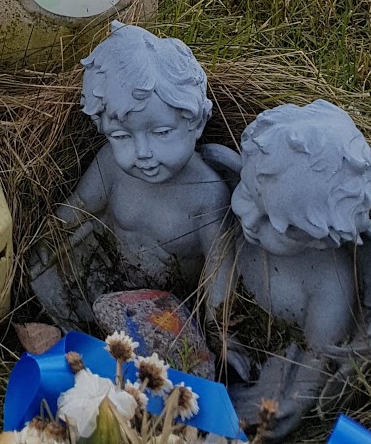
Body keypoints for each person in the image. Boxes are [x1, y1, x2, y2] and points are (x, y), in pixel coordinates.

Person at [206, 100, 371, 438]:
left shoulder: (330, 283)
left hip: (274, 364)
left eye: (277, 224)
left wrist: (294, 403)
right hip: (225, 340)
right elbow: (215, 271)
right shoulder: (249, 223)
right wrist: (216, 327)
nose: (248, 219)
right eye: (247, 192)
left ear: (322, 237)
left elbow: (316, 359)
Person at [29, 24, 232, 323]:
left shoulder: (208, 195)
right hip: (101, 275)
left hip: (165, 313)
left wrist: (217, 323)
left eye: (161, 132)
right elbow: (80, 206)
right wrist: (49, 237)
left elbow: (221, 270)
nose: (143, 152)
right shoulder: (111, 163)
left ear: (198, 122)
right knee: (42, 284)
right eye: (122, 136)